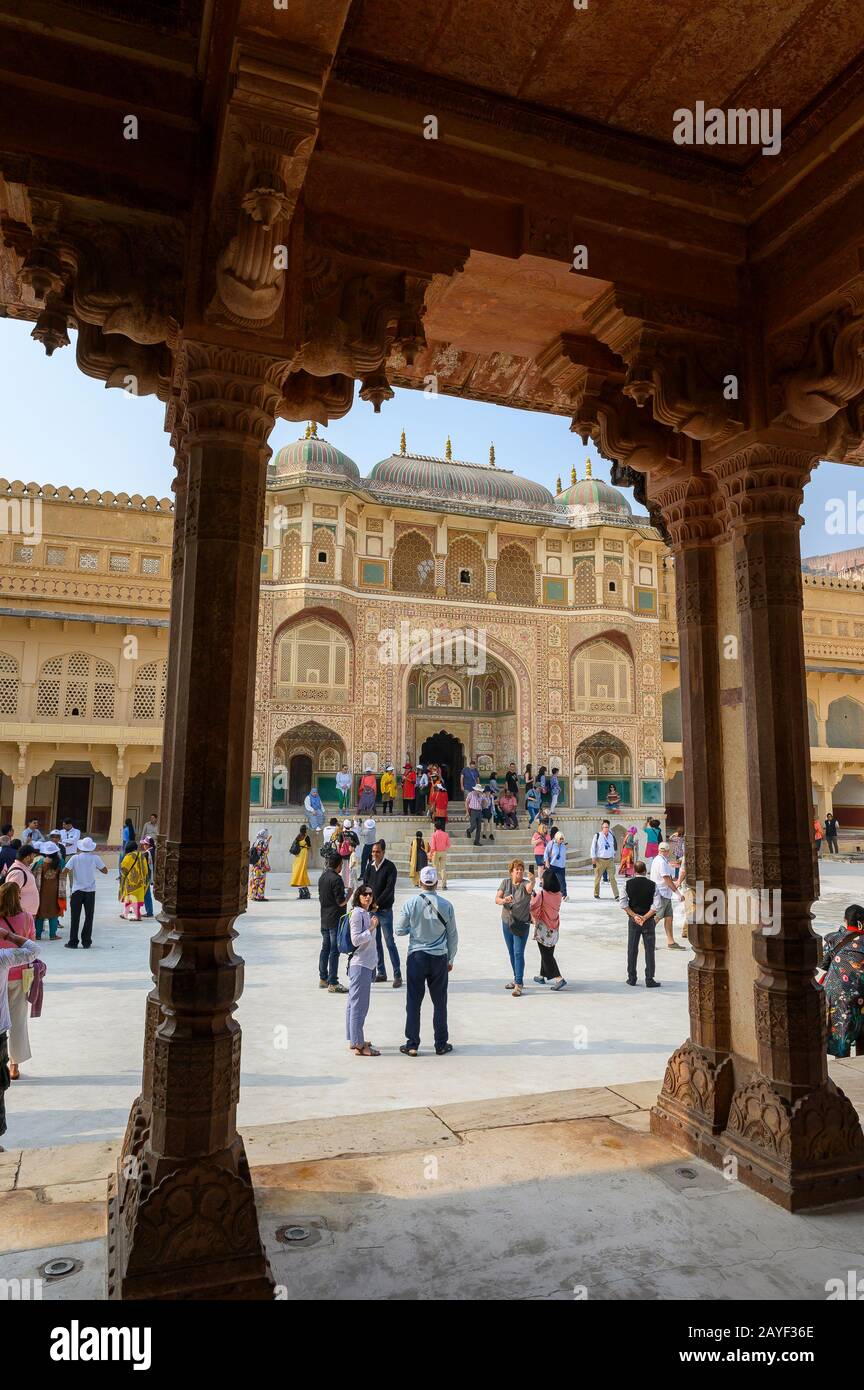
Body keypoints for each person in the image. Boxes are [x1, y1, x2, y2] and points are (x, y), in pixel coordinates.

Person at [396, 864, 458, 1056]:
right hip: (439, 957)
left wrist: (413, 929)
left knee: (414, 1001)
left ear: (420, 882)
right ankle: (440, 1043)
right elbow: (453, 935)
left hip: (417, 956)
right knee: (440, 1002)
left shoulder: (410, 904)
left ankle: (412, 1043)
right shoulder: (447, 905)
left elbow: (399, 930)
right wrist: (451, 958)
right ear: (436, 883)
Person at [0, 920, 39, 1142]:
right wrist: (8, 935)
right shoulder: (3, 957)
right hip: (19, 975)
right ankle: (13, 1064)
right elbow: (34, 949)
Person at [0, 878, 37, 1079]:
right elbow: (32, 945)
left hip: (0, 971)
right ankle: (14, 1065)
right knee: (18, 1020)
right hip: (21, 973)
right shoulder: (27, 918)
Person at [822, 905, 864, 1057]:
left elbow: (823, 964)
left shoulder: (834, 938)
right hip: (860, 993)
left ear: (845, 921)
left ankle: (843, 1061)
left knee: (841, 1036)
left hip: (835, 995)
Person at [345, 884, 380, 1056]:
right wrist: (372, 928)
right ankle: (359, 1045)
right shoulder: (357, 914)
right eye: (364, 894)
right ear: (358, 897)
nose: (368, 897)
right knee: (359, 1006)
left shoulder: (365, 913)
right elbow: (356, 939)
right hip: (361, 965)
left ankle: (354, 1039)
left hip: (365, 964)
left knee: (354, 1004)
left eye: (370, 894)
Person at [362, 839, 401, 987]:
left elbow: (389, 889)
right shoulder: (369, 867)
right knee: (376, 942)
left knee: (389, 942)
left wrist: (377, 904)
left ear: (383, 852)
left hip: (384, 911)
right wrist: (367, 903)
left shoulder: (390, 867)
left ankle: (397, 975)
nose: (375, 854)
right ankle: (381, 972)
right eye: (373, 852)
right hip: (372, 912)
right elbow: (365, 885)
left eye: (377, 851)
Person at [62, 837, 108, 948]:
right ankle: (86, 941)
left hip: (77, 890)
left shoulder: (75, 858)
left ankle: (73, 942)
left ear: (80, 847)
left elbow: (64, 871)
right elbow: (105, 871)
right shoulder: (95, 858)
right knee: (89, 917)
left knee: (75, 917)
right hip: (90, 891)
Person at [620, 860, 660, 987]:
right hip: (648, 921)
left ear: (635, 871)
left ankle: (632, 978)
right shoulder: (653, 885)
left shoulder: (627, 884)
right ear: (645, 871)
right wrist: (645, 917)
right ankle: (649, 979)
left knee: (632, 949)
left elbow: (623, 903)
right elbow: (656, 905)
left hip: (633, 920)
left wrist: (635, 916)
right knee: (649, 949)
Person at [496, 859, 533, 996]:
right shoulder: (505, 883)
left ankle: (518, 984)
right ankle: (517, 978)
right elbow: (497, 899)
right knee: (511, 952)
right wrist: (504, 900)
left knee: (518, 952)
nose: (519, 871)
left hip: (521, 923)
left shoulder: (525, 884)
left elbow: (530, 888)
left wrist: (533, 880)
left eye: (521, 869)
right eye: (516, 869)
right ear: (511, 871)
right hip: (506, 922)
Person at [530, 867, 566, 989]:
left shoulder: (542, 894)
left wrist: (533, 897)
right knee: (548, 952)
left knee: (546, 955)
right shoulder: (559, 894)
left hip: (544, 929)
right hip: (554, 928)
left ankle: (559, 978)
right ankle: (541, 976)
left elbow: (533, 906)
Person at [318, 852, 348, 993]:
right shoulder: (337, 879)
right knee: (334, 951)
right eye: (341, 864)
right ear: (338, 865)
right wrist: (350, 894)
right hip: (335, 919)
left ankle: (323, 978)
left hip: (324, 918)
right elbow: (341, 901)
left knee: (325, 948)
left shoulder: (322, 877)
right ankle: (333, 982)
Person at [650, 841, 685, 949]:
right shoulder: (662, 862)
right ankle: (646, 940)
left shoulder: (657, 860)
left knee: (669, 917)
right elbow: (667, 880)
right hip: (661, 894)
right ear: (668, 851)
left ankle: (671, 942)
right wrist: (678, 893)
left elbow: (665, 879)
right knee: (656, 917)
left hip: (664, 893)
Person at [34, 842, 63, 939]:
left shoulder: (40, 862)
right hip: (55, 892)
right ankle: (52, 935)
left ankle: (37, 935)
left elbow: (34, 875)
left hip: (42, 891)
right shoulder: (59, 862)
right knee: (54, 912)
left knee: (40, 913)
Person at [3, 843, 40, 917]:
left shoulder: (23, 868)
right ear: (27, 857)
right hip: (21, 915)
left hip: (25, 914)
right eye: (33, 855)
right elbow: (10, 895)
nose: (34, 857)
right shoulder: (18, 873)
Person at [119, 838, 150, 921]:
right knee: (137, 898)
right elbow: (145, 870)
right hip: (140, 882)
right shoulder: (142, 855)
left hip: (130, 882)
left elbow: (123, 868)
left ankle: (137, 916)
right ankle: (125, 914)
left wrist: (122, 876)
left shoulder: (128, 856)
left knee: (130, 898)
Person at [591, 820, 619, 899]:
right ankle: (596, 893)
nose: (606, 829)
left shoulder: (611, 836)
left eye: (607, 827)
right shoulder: (597, 836)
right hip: (600, 860)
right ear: (602, 828)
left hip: (610, 860)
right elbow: (593, 847)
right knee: (598, 878)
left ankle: (616, 895)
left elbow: (613, 847)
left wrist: (613, 856)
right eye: (605, 827)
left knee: (612, 878)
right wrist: (593, 857)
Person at [289, 823, 312, 900]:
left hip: (298, 854)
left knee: (297, 866)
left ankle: (295, 880)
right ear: (305, 830)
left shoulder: (298, 836)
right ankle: (302, 881)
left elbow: (295, 844)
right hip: (304, 852)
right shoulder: (306, 837)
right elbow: (309, 846)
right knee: (303, 867)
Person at [248, 827, 271, 901]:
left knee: (255, 879)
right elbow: (265, 850)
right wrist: (268, 842)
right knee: (261, 880)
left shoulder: (255, 841)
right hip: (261, 864)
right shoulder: (263, 842)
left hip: (255, 864)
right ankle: (260, 896)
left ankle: (253, 895)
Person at [544, 829, 568, 899]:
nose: (561, 840)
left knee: (562, 882)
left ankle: (564, 895)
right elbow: (546, 853)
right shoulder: (551, 843)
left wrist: (564, 864)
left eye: (562, 839)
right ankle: (546, 894)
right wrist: (547, 862)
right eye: (560, 839)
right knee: (549, 881)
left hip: (561, 866)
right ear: (557, 838)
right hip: (552, 865)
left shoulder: (563, 845)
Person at [429, 818, 450, 889]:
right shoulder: (446, 834)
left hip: (436, 852)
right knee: (443, 868)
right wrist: (444, 849)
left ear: (435, 827)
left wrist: (430, 854)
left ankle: (434, 884)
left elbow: (433, 847)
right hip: (443, 852)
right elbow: (448, 845)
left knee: (435, 868)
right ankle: (444, 885)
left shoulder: (434, 835)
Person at [139, 836, 155, 917]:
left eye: (144, 844)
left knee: (146, 894)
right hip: (151, 875)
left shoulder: (146, 854)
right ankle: (149, 911)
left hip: (146, 876)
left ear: (148, 845)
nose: (143, 846)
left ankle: (149, 911)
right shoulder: (154, 851)